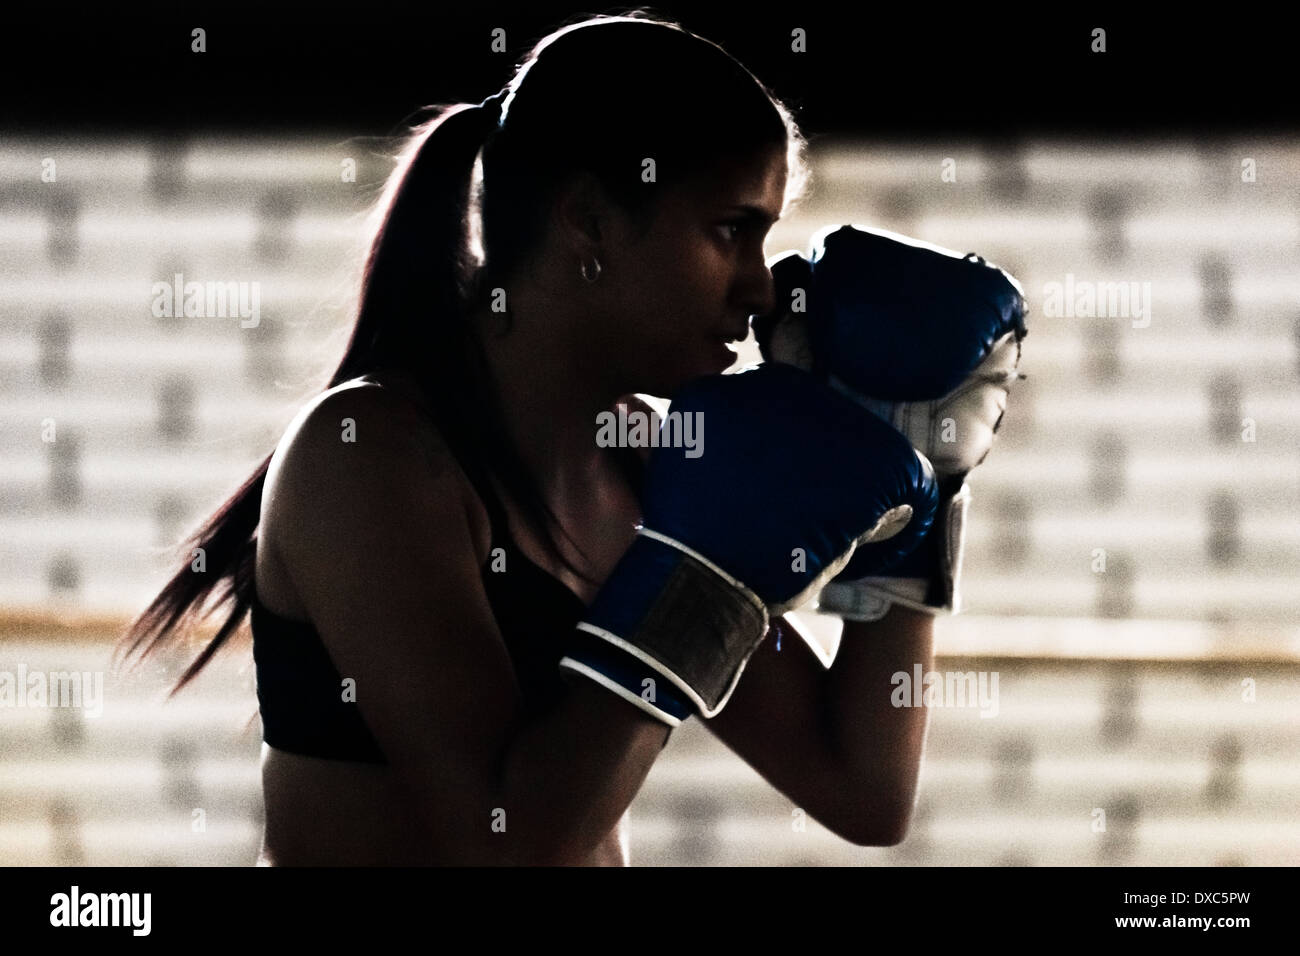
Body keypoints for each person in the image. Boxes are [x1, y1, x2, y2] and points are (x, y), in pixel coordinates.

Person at [115, 11, 939, 865]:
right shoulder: (370, 455)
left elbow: (863, 792)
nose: (761, 290)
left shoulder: (644, 463)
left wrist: (919, 492)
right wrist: (698, 582)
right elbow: (505, 839)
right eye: (731, 230)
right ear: (586, 220)